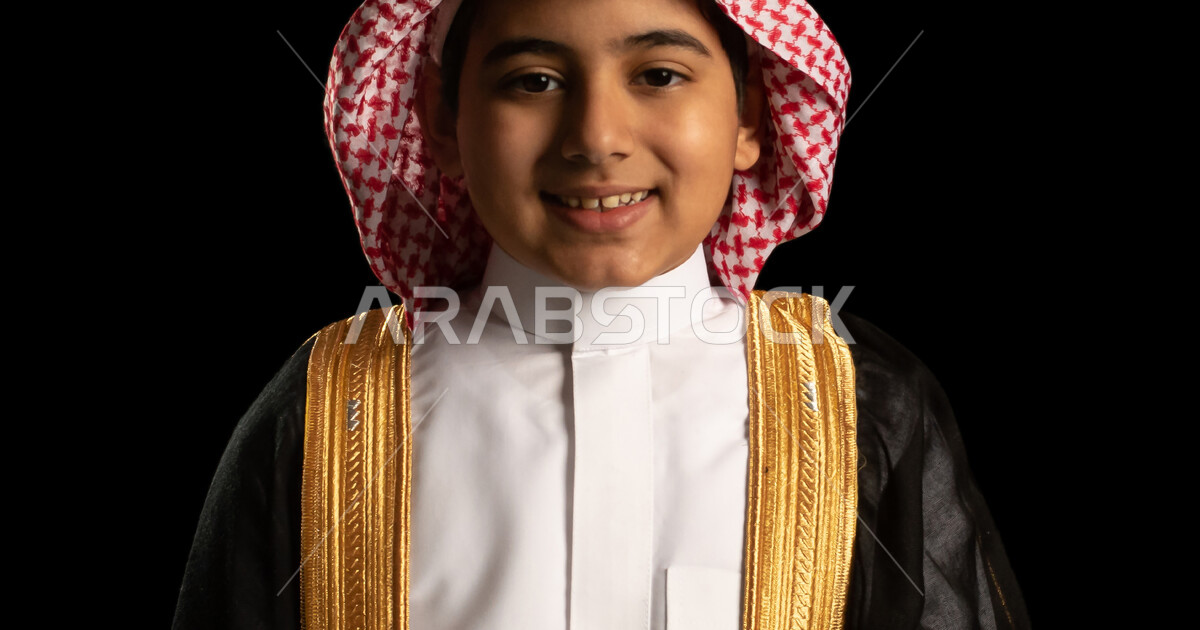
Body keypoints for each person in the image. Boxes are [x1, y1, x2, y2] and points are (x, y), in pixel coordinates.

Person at [173, 0, 1030, 628]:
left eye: (658, 75)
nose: (596, 135)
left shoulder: (859, 403)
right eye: (533, 80)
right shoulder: (329, 411)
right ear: (442, 122)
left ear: (749, 117)